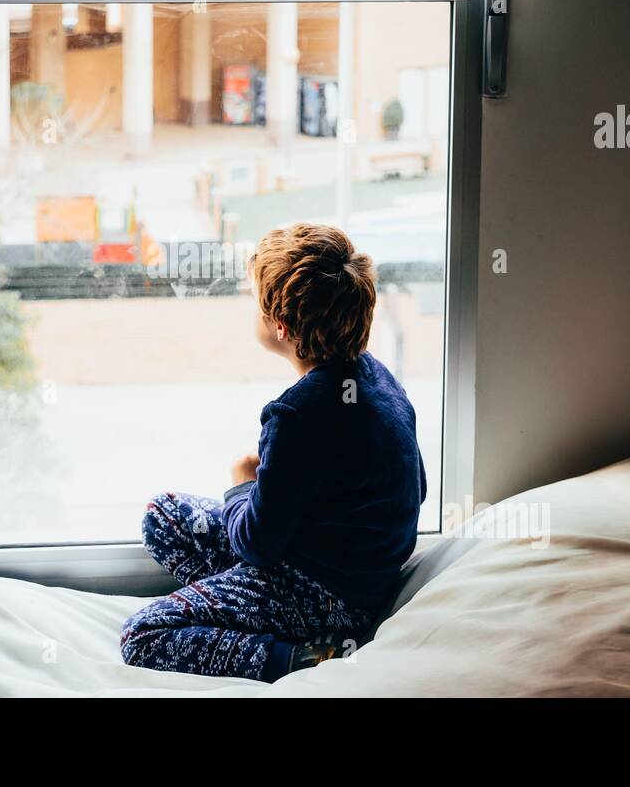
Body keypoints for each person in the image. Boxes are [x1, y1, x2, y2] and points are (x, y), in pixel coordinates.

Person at [120, 223, 425, 681]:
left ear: (280, 326)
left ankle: (294, 656)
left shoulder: (296, 415)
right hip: (359, 577)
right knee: (161, 516)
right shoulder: (381, 381)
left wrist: (243, 485)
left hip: (320, 597)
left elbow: (257, 545)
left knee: (142, 636)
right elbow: (414, 488)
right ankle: (231, 603)